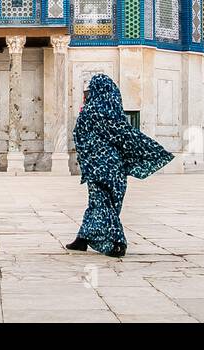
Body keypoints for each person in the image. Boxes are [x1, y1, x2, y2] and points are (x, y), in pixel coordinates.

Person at [65, 73, 173, 257]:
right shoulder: (115, 116)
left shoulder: (89, 112)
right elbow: (127, 137)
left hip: (97, 168)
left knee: (102, 204)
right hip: (115, 169)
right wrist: (153, 150)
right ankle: (82, 239)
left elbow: (79, 137)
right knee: (102, 204)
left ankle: (118, 242)